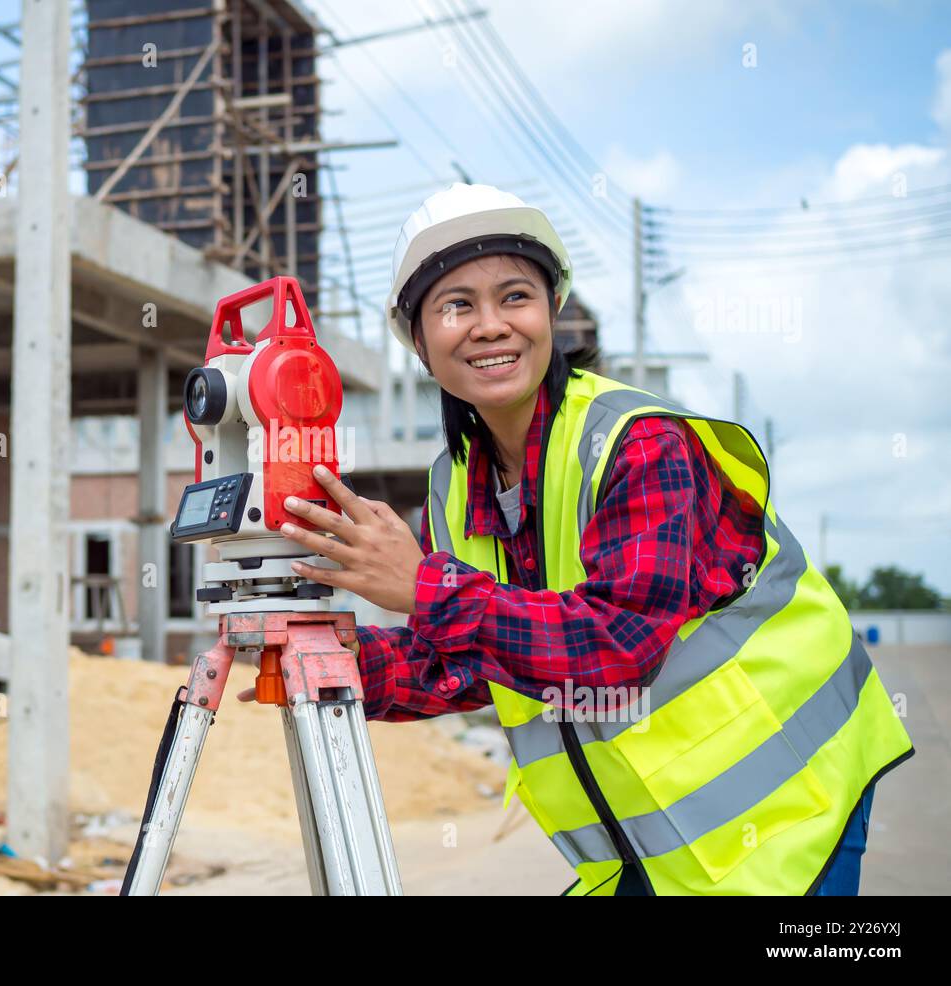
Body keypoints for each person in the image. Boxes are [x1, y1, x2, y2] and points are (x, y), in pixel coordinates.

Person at [240, 183, 913, 895]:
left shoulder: (640, 445)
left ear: (552, 313)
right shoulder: (454, 484)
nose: (490, 325)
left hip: (787, 812)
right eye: (456, 305)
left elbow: (616, 646)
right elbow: (478, 661)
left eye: (515, 297)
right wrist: (337, 664)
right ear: (418, 339)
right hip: (645, 847)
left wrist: (426, 589)